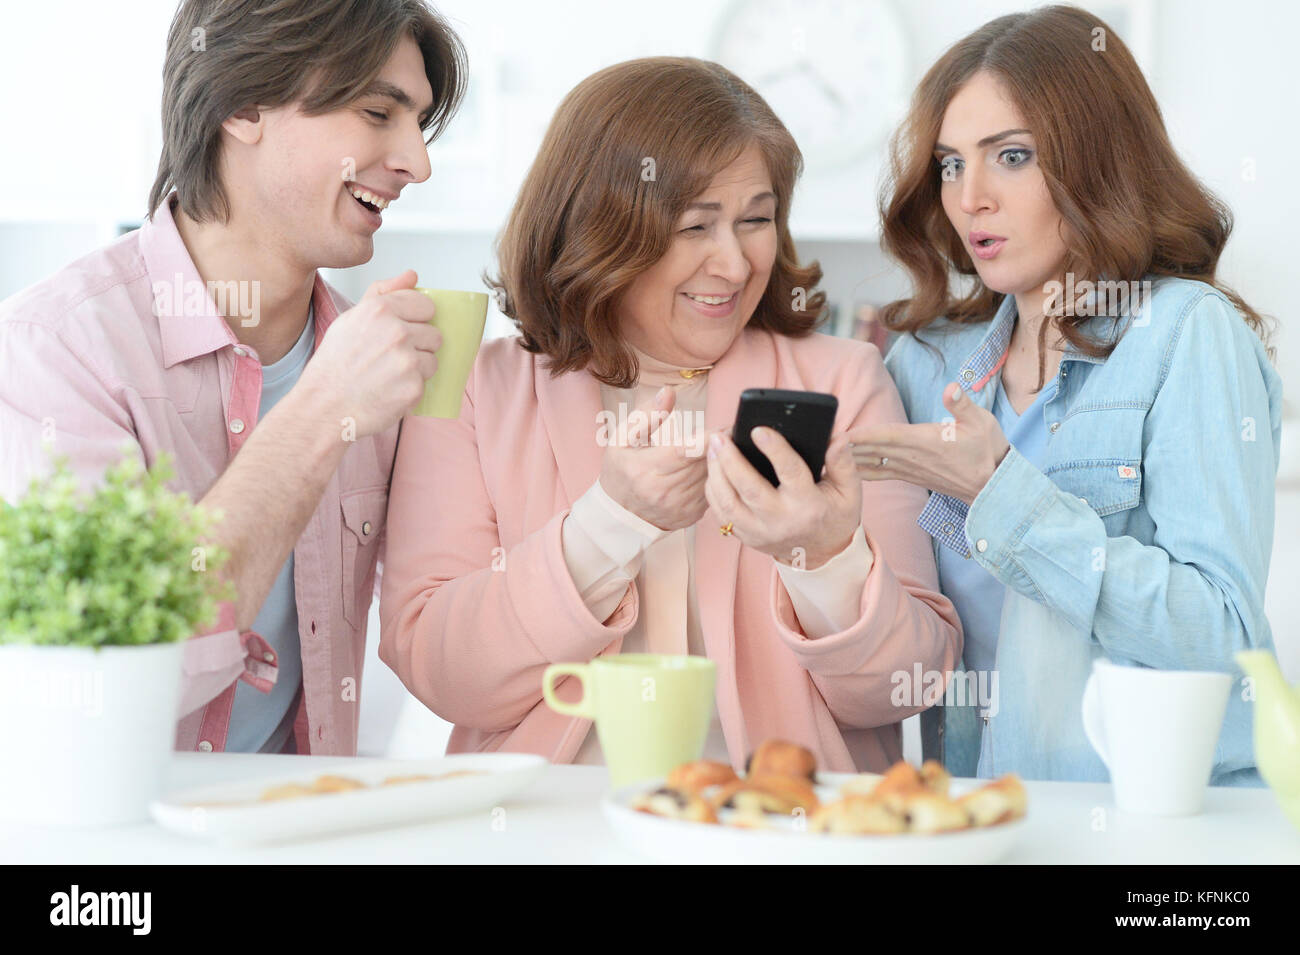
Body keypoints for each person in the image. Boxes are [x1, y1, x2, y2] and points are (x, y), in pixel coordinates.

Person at [379, 57, 961, 773]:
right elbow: (440, 670)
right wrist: (607, 523)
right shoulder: (477, 389)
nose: (737, 263)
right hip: (550, 826)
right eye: (695, 226)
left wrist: (828, 557)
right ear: (601, 228)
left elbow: (910, 683)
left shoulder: (843, 379)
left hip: (777, 822)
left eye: (756, 221)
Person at [0, 0, 467, 755]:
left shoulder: (375, 361)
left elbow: (446, 647)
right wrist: (321, 411)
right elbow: (106, 677)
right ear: (245, 105)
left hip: (301, 822)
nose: (418, 161)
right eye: (379, 111)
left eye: (418, 123)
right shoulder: (56, 351)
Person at [853, 5, 1282, 783]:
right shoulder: (923, 364)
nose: (969, 196)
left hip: (1161, 825)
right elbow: (904, 628)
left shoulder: (1186, 334)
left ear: (1098, 161)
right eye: (950, 164)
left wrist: (1003, 497)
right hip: (983, 814)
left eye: (1010, 156)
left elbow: (1223, 639)